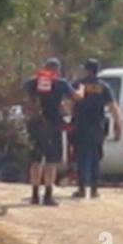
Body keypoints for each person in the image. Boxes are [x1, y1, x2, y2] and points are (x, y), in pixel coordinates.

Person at [22, 57, 76, 207]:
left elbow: (24, 95)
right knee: (51, 161)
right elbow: (76, 97)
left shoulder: (32, 83)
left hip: (35, 125)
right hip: (53, 125)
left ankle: (34, 195)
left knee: (35, 160)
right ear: (57, 70)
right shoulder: (61, 84)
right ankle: (47, 195)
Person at [69, 58, 123, 199]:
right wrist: (118, 125)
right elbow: (113, 108)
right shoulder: (103, 87)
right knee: (95, 158)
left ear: (86, 70)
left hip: (80, 126)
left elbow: (68, 103)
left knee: (81, 157)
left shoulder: (78, 84)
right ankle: (94, 189)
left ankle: (81, 189)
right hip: (97, 127)